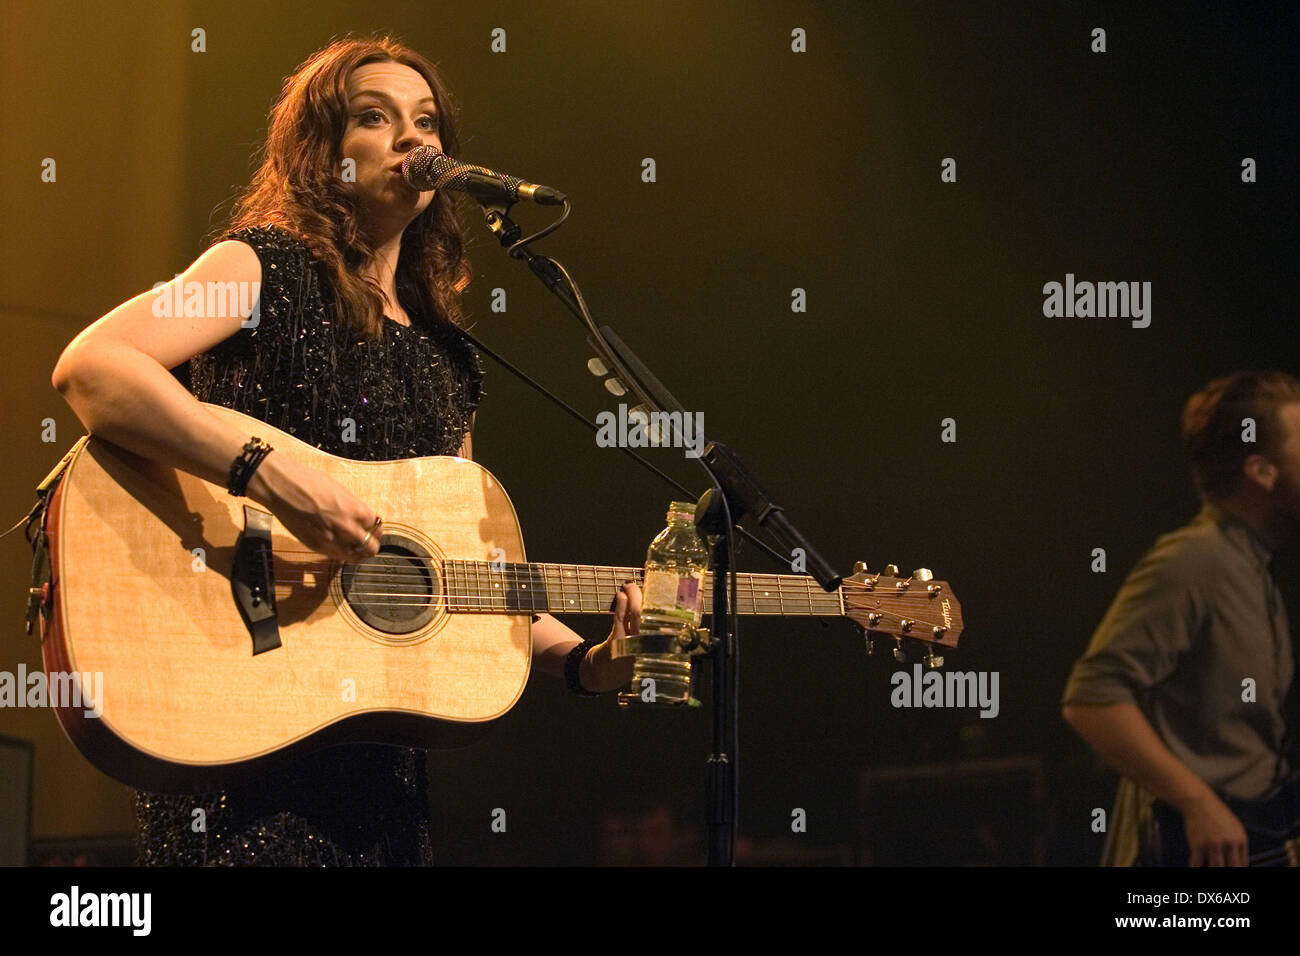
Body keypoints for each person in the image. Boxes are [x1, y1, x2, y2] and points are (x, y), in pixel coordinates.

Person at [50, 35, 639, 866]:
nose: (413, 140)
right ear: (324, 157)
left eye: (427, 122)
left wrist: (590, 662)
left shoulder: (449, 359)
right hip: (235, 739)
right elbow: (92, 367)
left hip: (379, 786)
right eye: (376, 117)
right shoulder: (264, 267)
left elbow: (463, 574)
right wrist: (269, 472)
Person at [1062, 370, 1300, 866]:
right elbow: (1092, 698)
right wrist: (1197, 803)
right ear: (1261, 471)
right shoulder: (1196, 560)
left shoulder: (1254, 567)